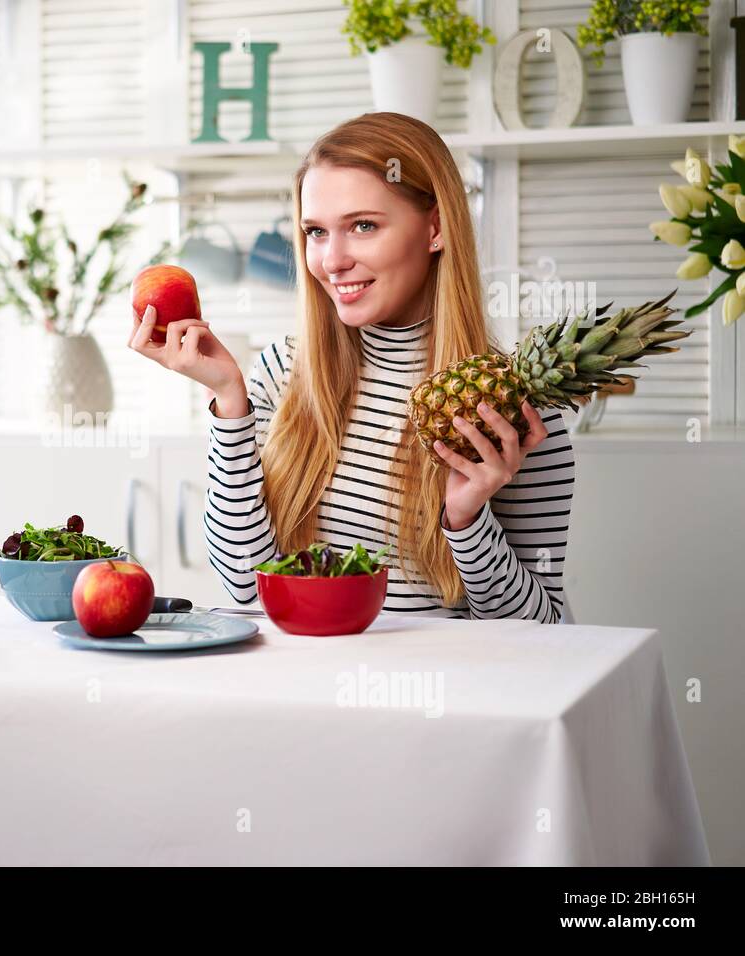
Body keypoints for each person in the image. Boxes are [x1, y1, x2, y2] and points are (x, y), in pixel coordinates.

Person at [128, 112, 574, 623]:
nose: (332, 260)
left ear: (435, 228)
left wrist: (466, 519)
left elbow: (542, 631)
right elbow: (245, 584)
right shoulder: (281, 372)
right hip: (305, 689)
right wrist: (230, 403)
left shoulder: (511, 410)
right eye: (316, 231)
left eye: (363, 226)